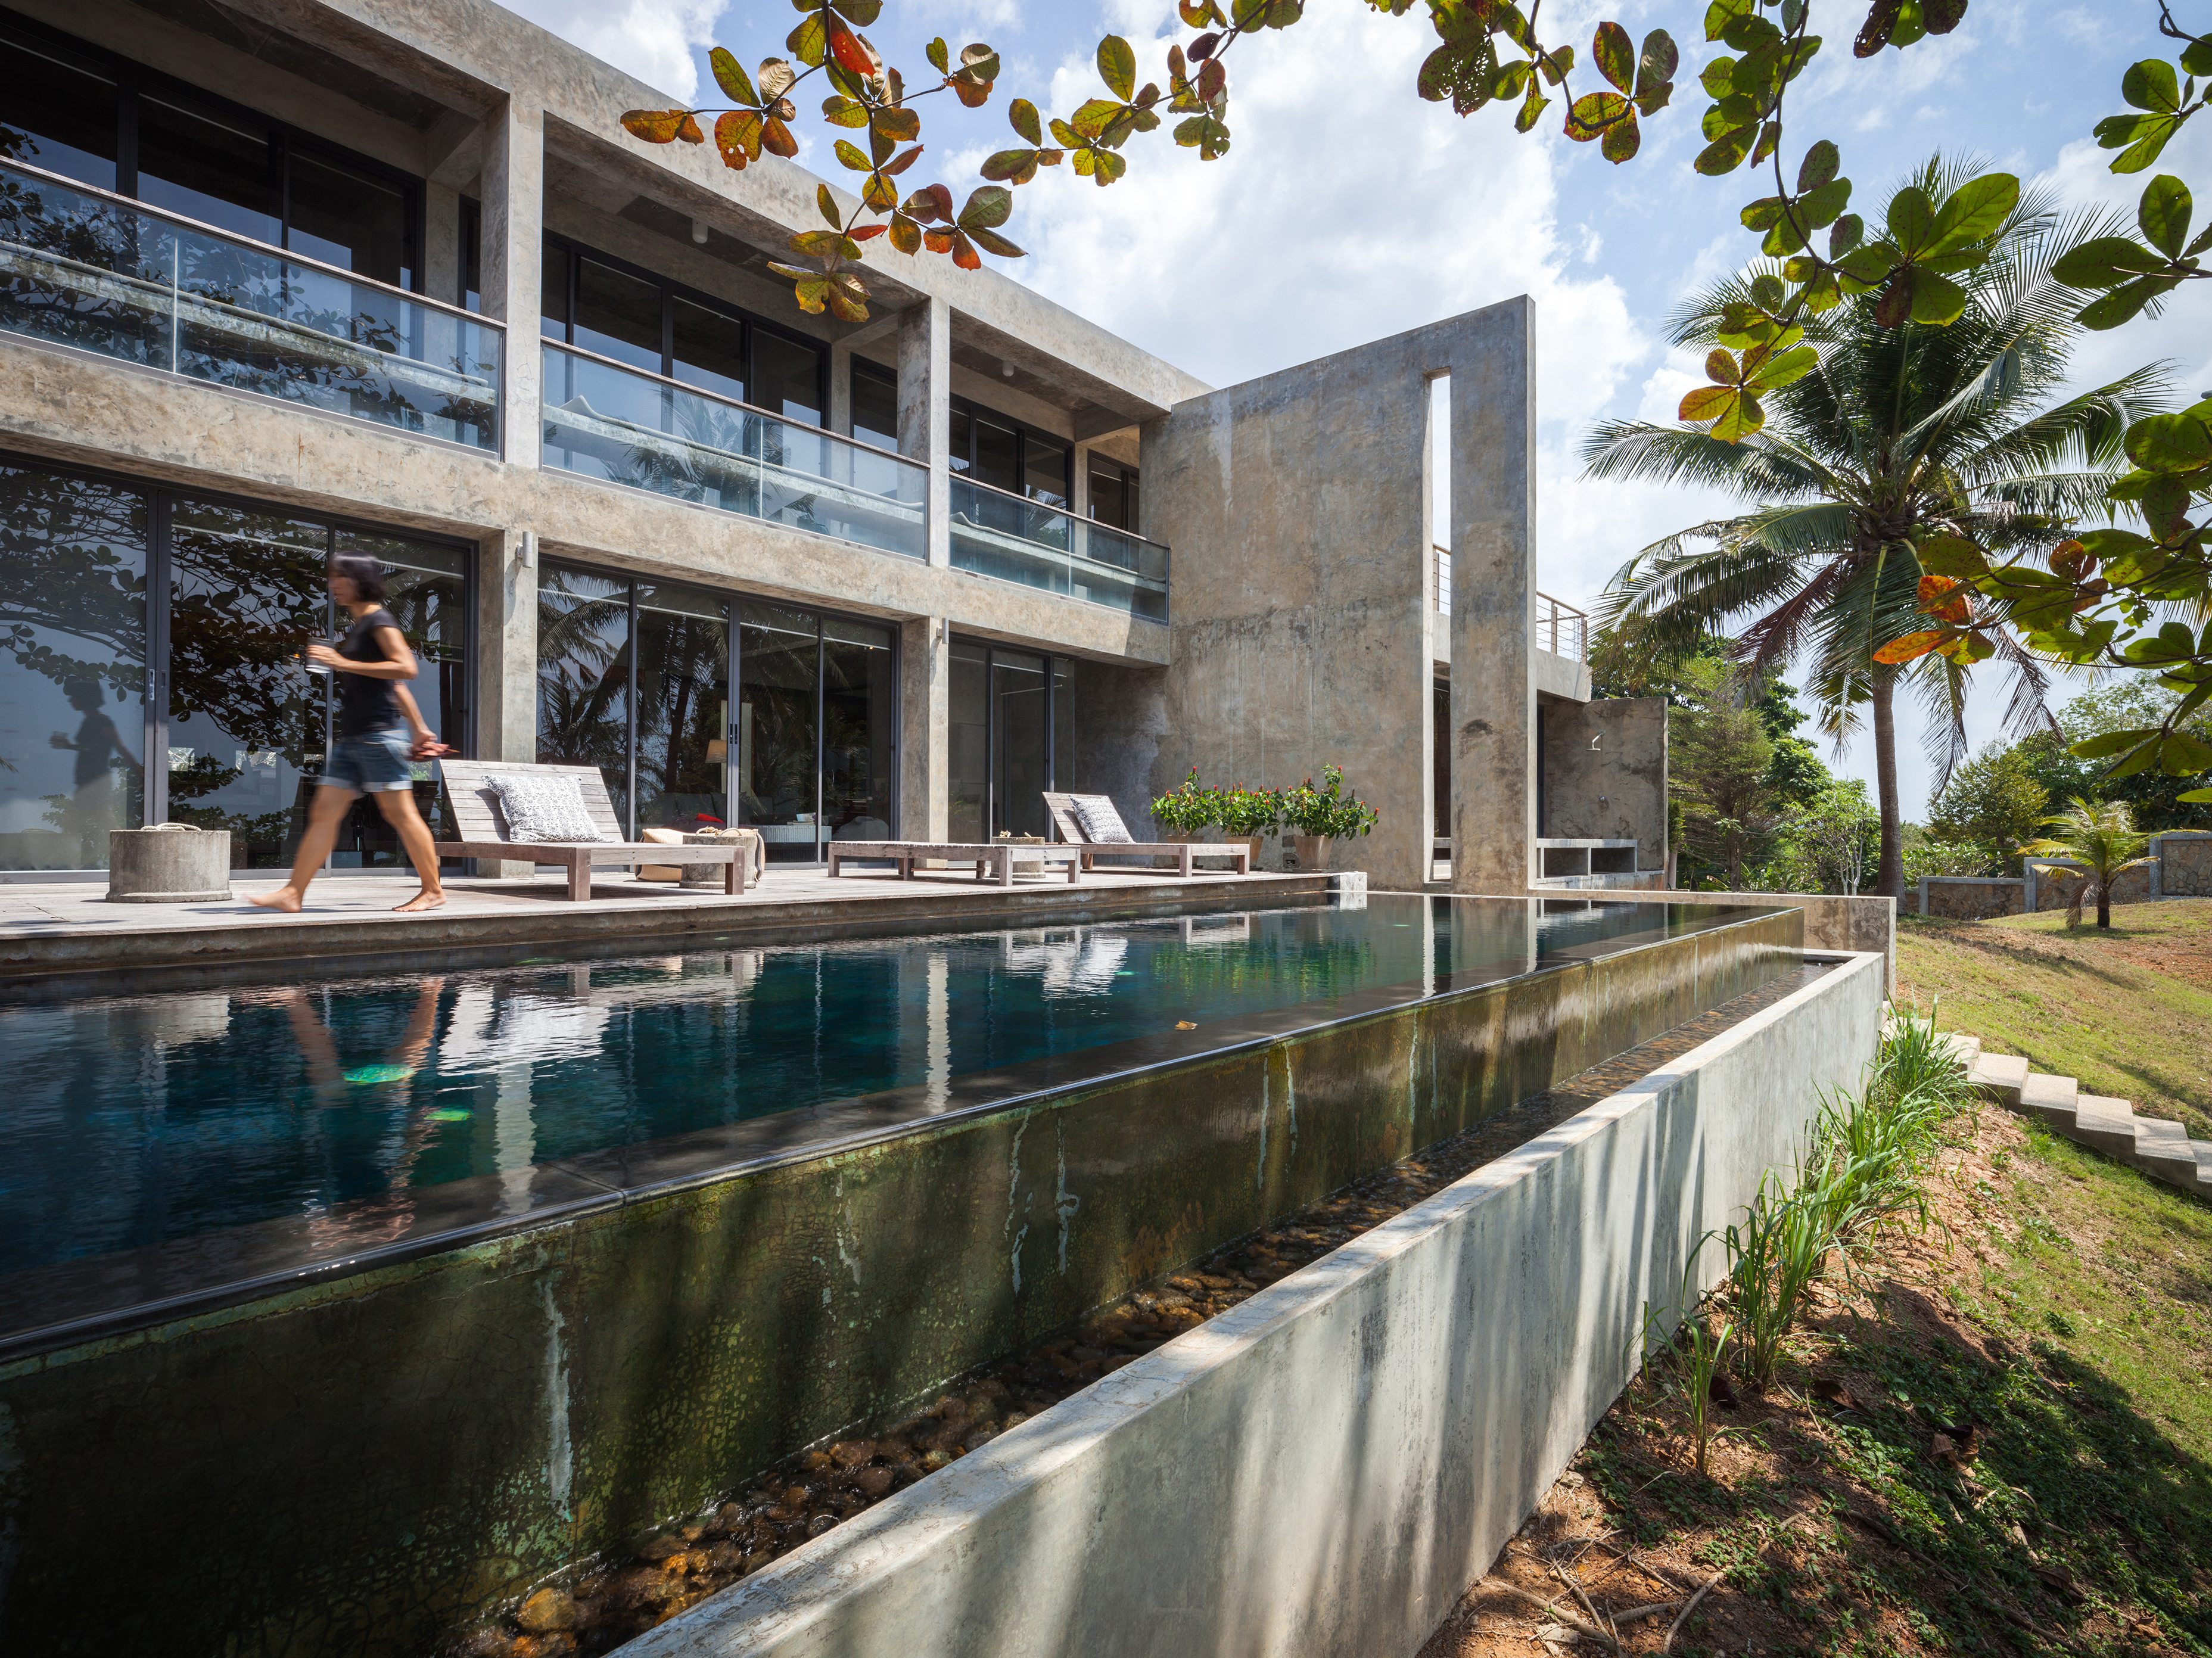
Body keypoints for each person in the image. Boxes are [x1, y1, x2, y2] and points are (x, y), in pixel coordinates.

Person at [250, 555, 446, 913]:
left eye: (340, 577)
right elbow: (395, 684)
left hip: (377, 738)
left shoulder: (379, 620)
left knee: (401, 814)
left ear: (359, 580)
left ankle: (433, 890)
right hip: (354, 740)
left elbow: (406, 667)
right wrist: (420, 728)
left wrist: (341, 663)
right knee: (324, 811)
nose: (333, 584)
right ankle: (293, 893)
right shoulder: (360, 627)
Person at [49, 677, 135, 863]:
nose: (71, 701)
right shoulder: (89, 722)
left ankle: (128, 857)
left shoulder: (102, 721)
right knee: (96, 821)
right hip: (88, 780)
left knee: (78, 823)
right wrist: (68, 746)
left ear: (85, 698)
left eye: (74, 697)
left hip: (95, 780)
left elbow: (117, 746)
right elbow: (89, 747)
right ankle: (128, 857)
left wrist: (139, 770)